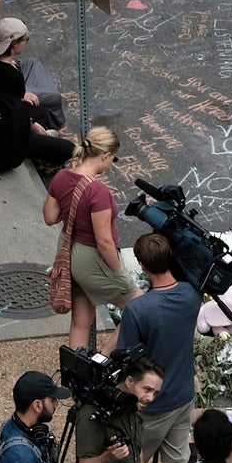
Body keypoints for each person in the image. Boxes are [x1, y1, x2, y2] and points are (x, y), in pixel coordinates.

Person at [43, 127, 142, 350]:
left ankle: (77, 372)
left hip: (69, 254)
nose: (110, 165)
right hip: (92, 259)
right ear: (105, 155)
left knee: (81, 323)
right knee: (141, 306)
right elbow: (104, 241)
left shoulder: (61, 177)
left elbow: (50, 217)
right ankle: (104, 357)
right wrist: (118, 271)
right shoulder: (98, 191)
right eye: (112, 159)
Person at [113, 234, 202, 463]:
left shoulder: (137, 310)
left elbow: (126, 358)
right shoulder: (192, 295)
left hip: (153, 404)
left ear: (142, 266)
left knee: (135, 460)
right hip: (184, 394)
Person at [0, 16, 65, 130]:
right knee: (54, 98)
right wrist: (33, 125)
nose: (26, 42)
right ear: (14, 44)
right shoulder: (13, 76)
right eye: (25, 39)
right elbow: (15, 108)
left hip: (3, 94)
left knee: (31, 62)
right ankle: (54, 123)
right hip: (13, 104)